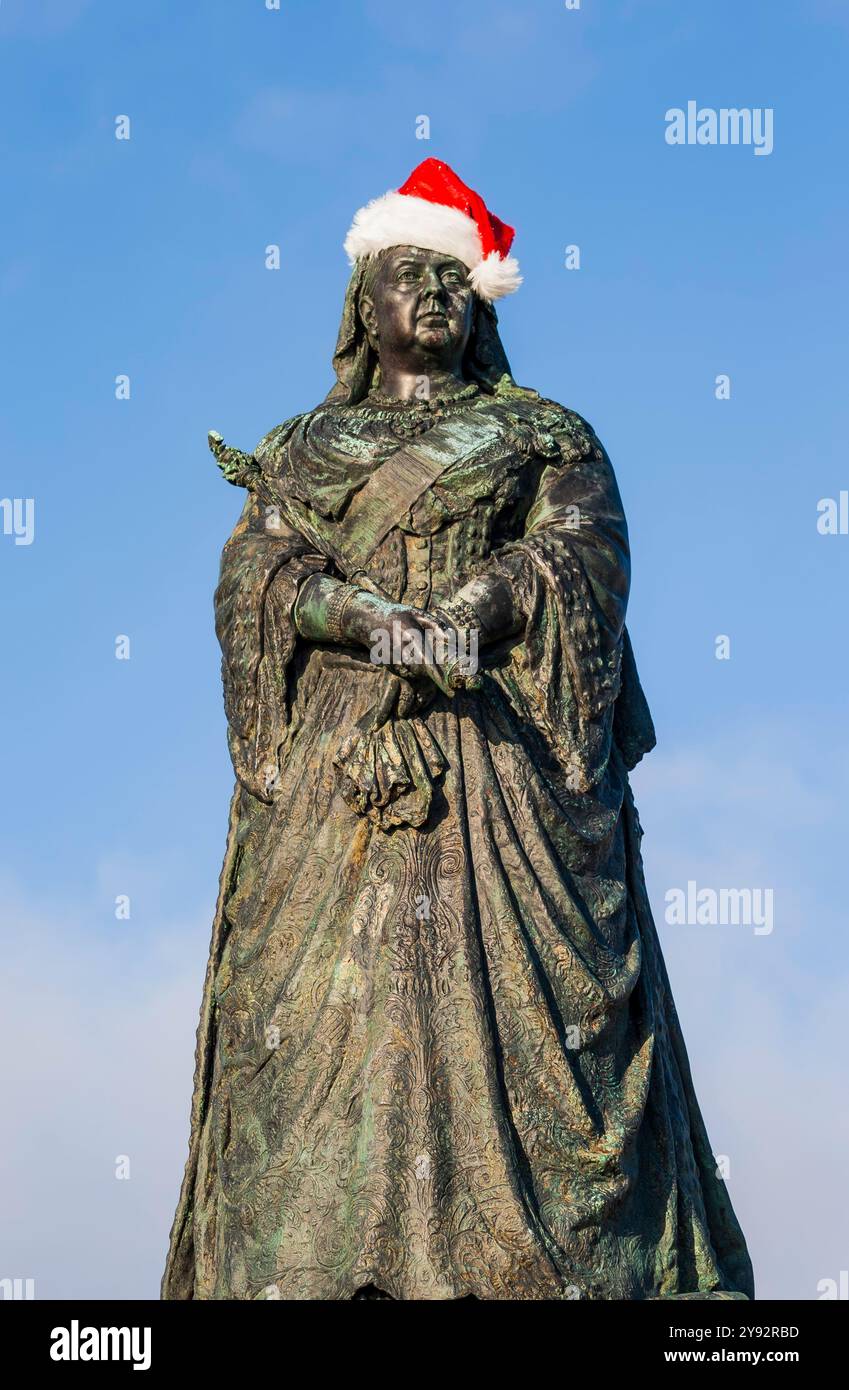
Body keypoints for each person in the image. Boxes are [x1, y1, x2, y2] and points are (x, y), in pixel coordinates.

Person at [162, 159, 754, 1301]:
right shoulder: (295, 451)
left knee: (535, 1030)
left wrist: (483, 606)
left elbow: (589, 551)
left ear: (480, 299)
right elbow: (255, 575)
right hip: (342, 771)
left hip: (499, 763)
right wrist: (358, 615)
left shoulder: (545, 435)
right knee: (314, 1046)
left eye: (451, 275)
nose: (432, 291)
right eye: (407, 272)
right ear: (362, 303)